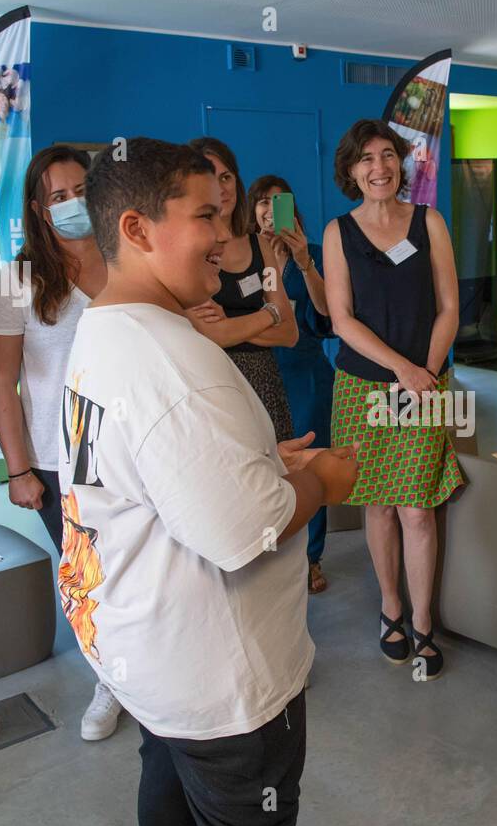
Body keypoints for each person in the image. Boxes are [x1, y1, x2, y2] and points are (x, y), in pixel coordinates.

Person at [59, 137, 358, 826]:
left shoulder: (106, 330)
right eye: (205, 218)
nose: (224, 240)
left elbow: (148, 474)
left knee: (166, 789)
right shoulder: (173, 360)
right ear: (137, 230)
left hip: (148, 655)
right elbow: (240, 532)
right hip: (220, 682)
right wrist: (319, 480)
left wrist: (254, 459)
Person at [0, 144, 124, 741]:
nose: (72, 205)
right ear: (39, 210)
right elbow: (0, 382)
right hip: (59, 454)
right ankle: (109, 680)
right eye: (58, 197)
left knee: (141, 565)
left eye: (81, 191)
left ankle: (154, 669)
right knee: (87, 574)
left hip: (131, 441)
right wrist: (19, 471)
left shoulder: (128, 259)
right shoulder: (16, 280)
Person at [323, 119, 464, 679]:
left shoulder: (429, 222)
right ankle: (390, 609)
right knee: (377, 503)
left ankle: (424, 622)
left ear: (401, 164)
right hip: (363, 385)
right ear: (351, 170)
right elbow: (341, 320)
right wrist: (400, 368)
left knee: (418, 508)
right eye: (366, 159)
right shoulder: (339, 232)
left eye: (387, 156)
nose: (378, 167)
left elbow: (451, 306)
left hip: (426, 382)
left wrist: (424, 371)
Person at [248, 175, 336, 594]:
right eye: (262, 202)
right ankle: (265, 550)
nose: (269, 209)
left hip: (306, 373)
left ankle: (310, 556)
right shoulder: (239, 258)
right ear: (251, 211)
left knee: (308, 464)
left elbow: (329, 316)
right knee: (260, 465)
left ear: (293, 211)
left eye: (279, 201)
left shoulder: (314, 254)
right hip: (256, 372)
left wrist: (304, 262)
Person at [185, 137, 298, 442]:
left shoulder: (261, 246)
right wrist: (269, 313)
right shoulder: (188, 250)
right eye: (209, 177)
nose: (220, 188)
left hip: (264, 383)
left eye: (226, 177)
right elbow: (213, 335)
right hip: (214, 382)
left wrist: (231, 324)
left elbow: (290, 333)